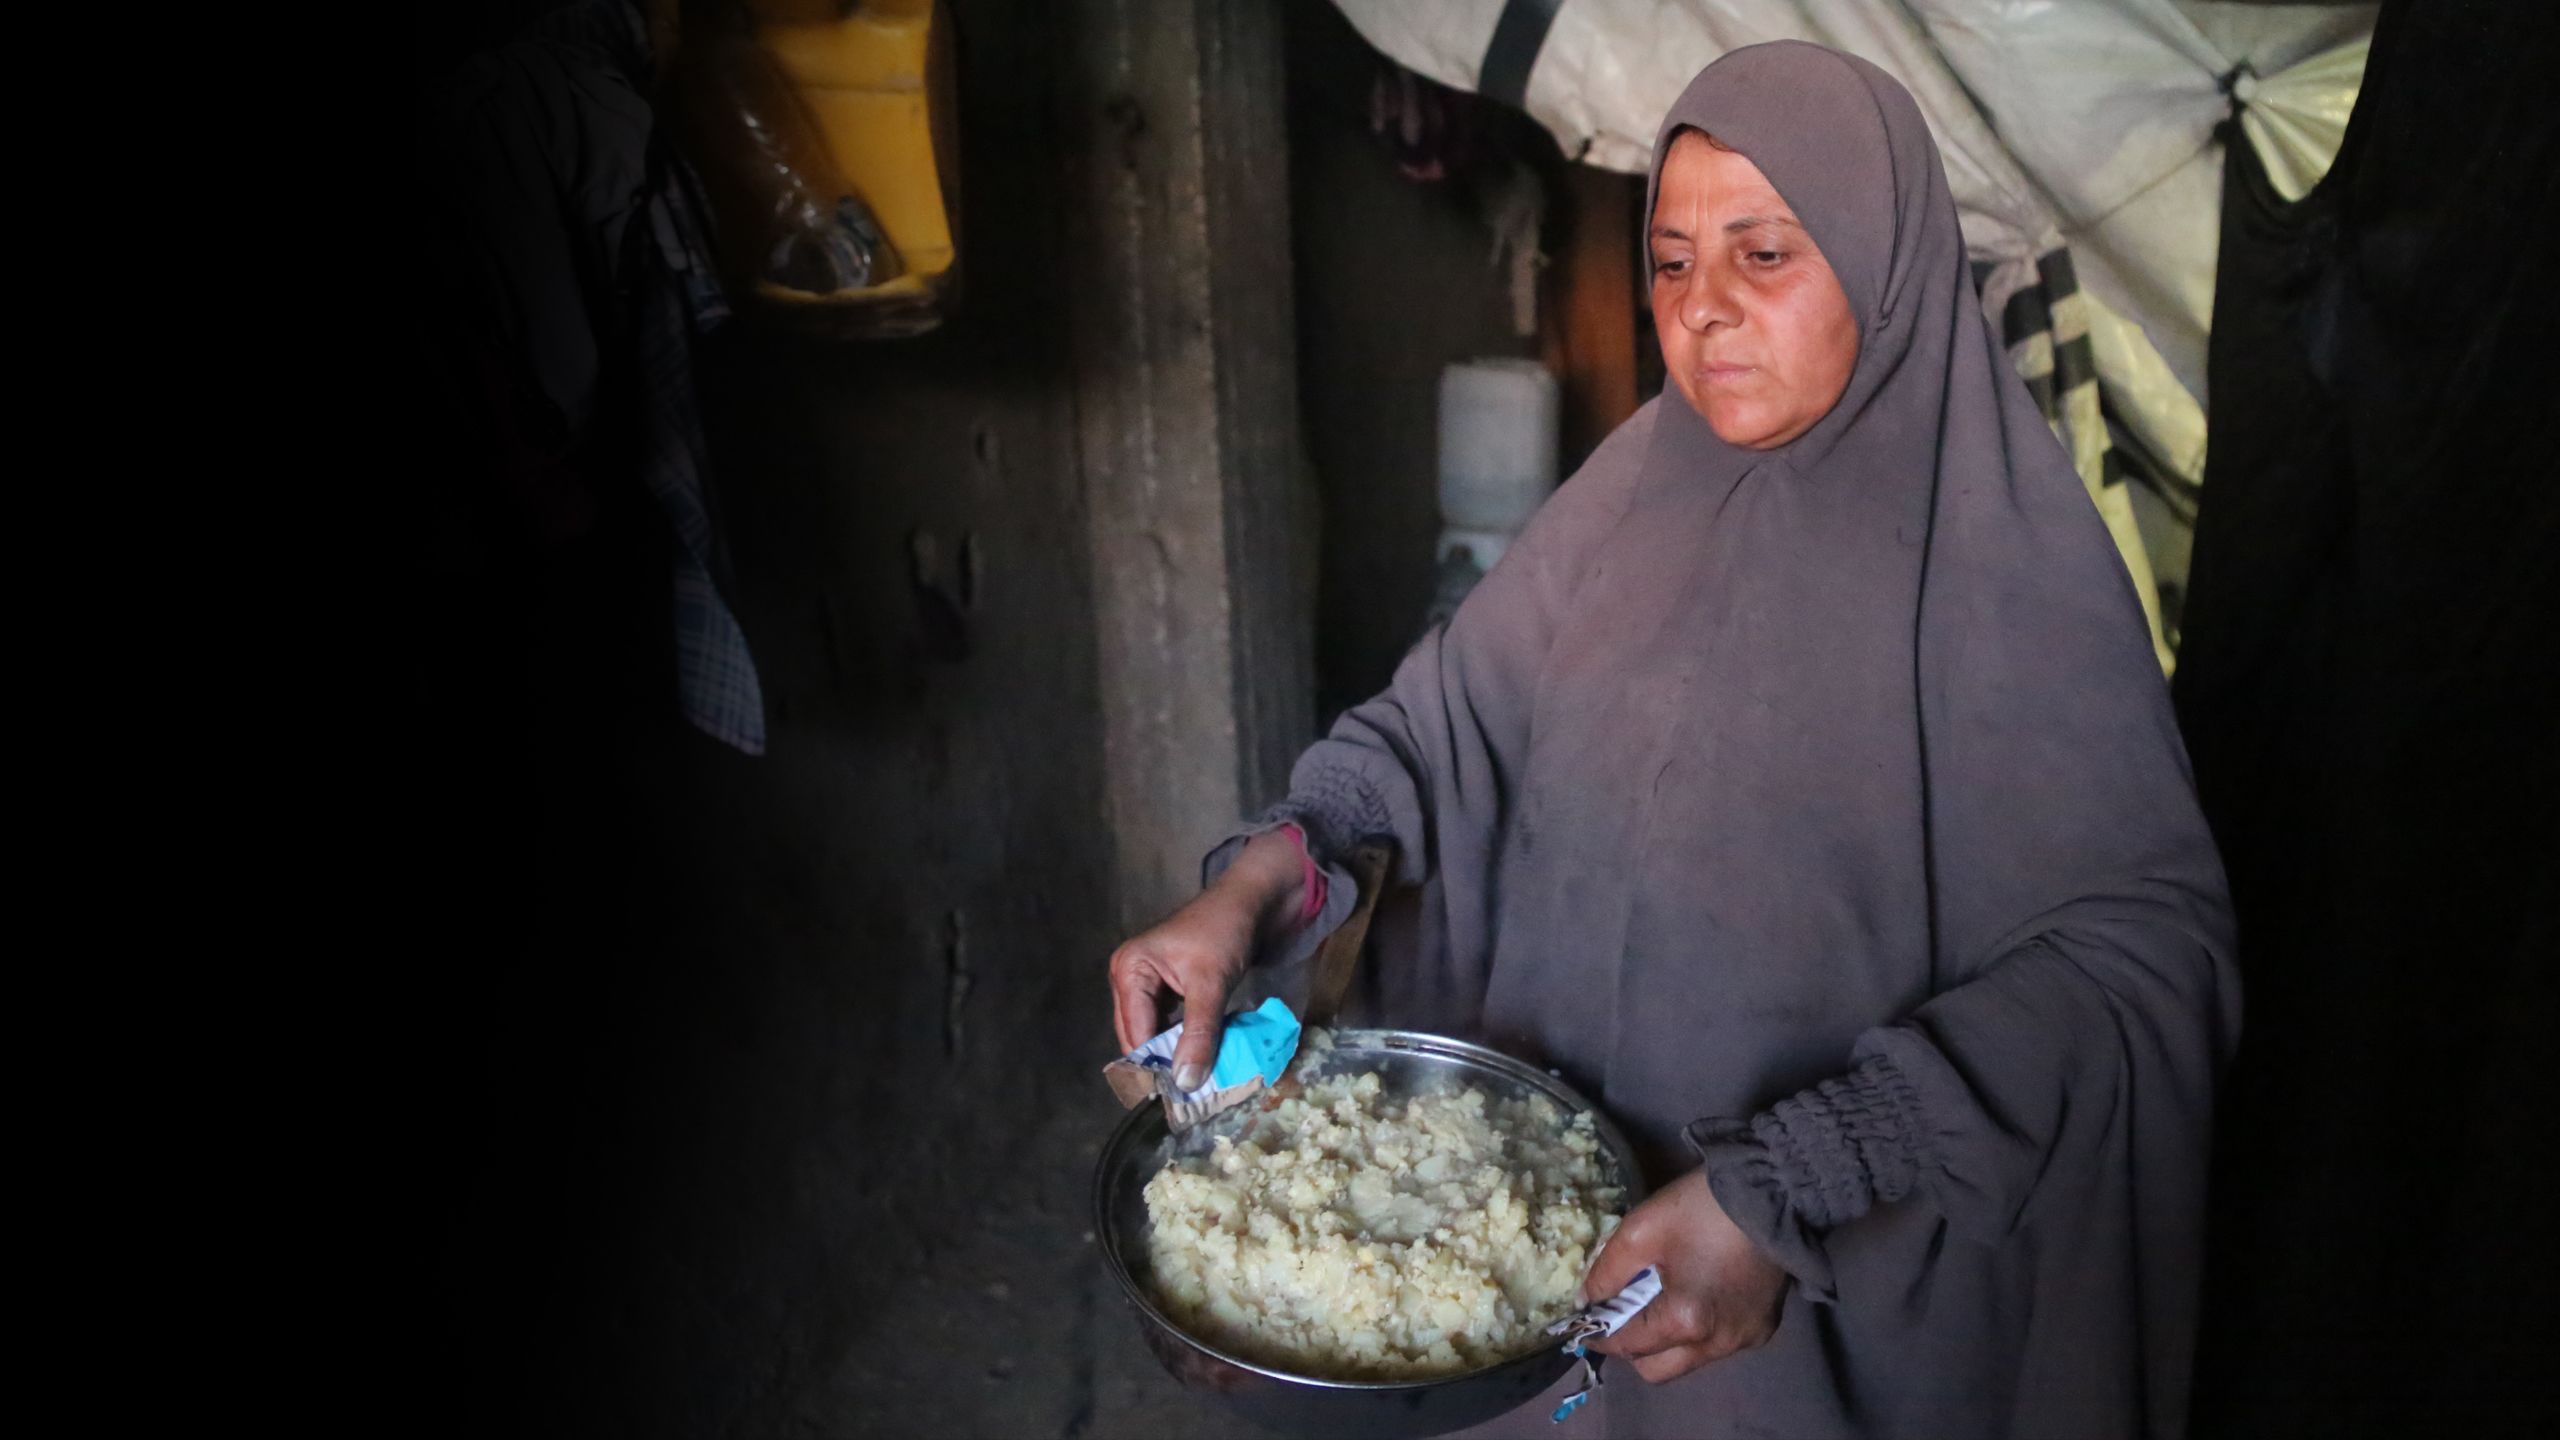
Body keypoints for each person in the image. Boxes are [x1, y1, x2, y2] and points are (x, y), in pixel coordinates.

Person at [1109, 40, 2237, 1439]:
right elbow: (1430, 734)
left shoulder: (2007, 572)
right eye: (1673, 261)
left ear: (1885, 267)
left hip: (1817, 1305)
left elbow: (2136, 965)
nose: (1702, 312)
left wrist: (1793, 1187)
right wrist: (1255, 886)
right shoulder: (1630, 497)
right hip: (1545, 1263)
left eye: (1765, 256)